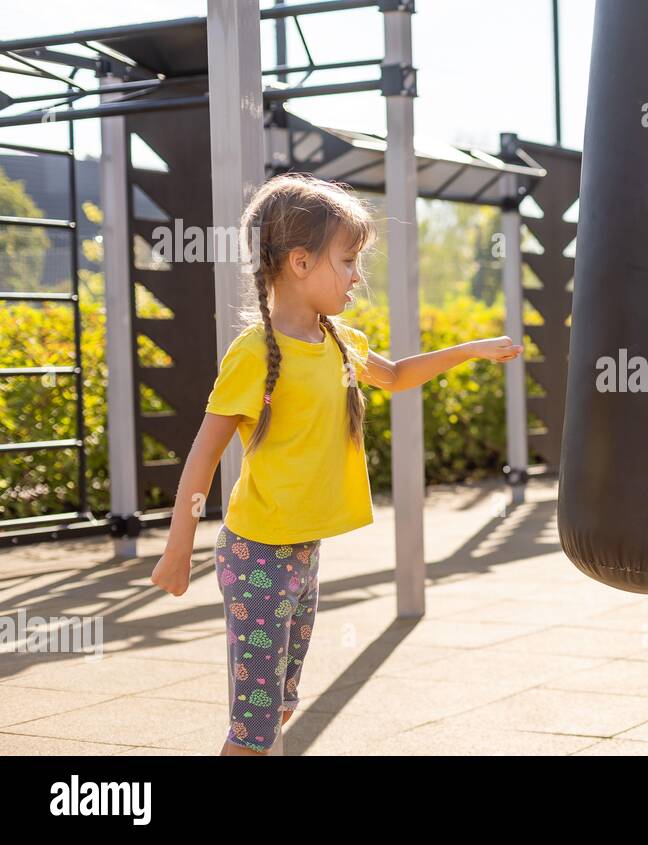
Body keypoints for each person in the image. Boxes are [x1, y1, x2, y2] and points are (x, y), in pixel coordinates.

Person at [149, 173, 522, 755]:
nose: (356, 277)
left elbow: (396, 376)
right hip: (257, 557)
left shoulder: (339, 340)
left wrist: (471, 350)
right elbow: (203, 456)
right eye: (347, 261)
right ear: (300, 262)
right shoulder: (253, 354)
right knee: (253, 727)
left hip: (304, 552)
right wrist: (178, 551)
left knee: (281, 707)